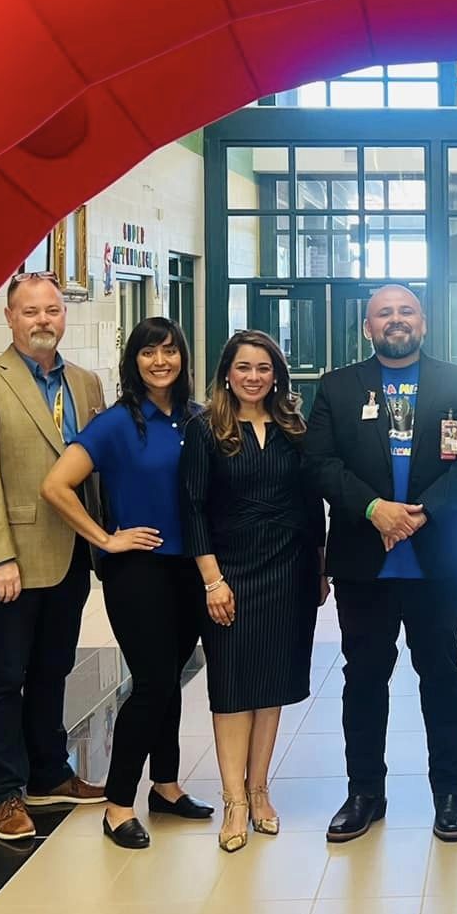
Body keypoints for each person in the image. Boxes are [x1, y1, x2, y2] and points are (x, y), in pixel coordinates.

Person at [303, 284, 457, 844]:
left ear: (424, 322)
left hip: (436, 561)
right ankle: (365, 791)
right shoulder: (338, 387)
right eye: (383, 313)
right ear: (368, 327)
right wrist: (373, 509)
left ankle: (450, 792)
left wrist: (417, 515)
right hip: (365, 564)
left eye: (405, 311)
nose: (395, 320)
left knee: (441, 673)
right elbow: (319, 463)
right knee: (364, 677)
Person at [40, 317, 216, 850]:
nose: (160, 361)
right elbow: (56, 484)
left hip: (191, 567)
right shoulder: (116, 423)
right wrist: (106, 538)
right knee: (154, 682)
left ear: (183, 358)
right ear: (133, 361)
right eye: (148, 353)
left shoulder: (197, 419)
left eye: (169, 351)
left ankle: (165, 786)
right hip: (138, 571)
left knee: (173, 680)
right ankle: (118, 804)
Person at [0, 273, 109, 842]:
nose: (43, 320)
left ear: (64, 315)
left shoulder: (87, 384)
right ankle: (6, 794)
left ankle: (50, 772)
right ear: (10, 317)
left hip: (70, 558)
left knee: (54, 669)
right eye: (31, 311)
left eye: (53, 310)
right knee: (5, 677)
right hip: (10, 564)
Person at [181, 329, 326, 852]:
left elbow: (312, 503)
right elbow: (192, 508)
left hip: (289, 569)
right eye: (244, 367)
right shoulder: (205, 430)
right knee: (233, 685)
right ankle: (233, 800)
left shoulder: (293, 427)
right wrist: (212, 580)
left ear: (276, 375)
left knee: (272, 684)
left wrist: (320, 564)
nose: (254, 377)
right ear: (227, 372)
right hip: (231, 573)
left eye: (264, 368)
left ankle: (260, 788)